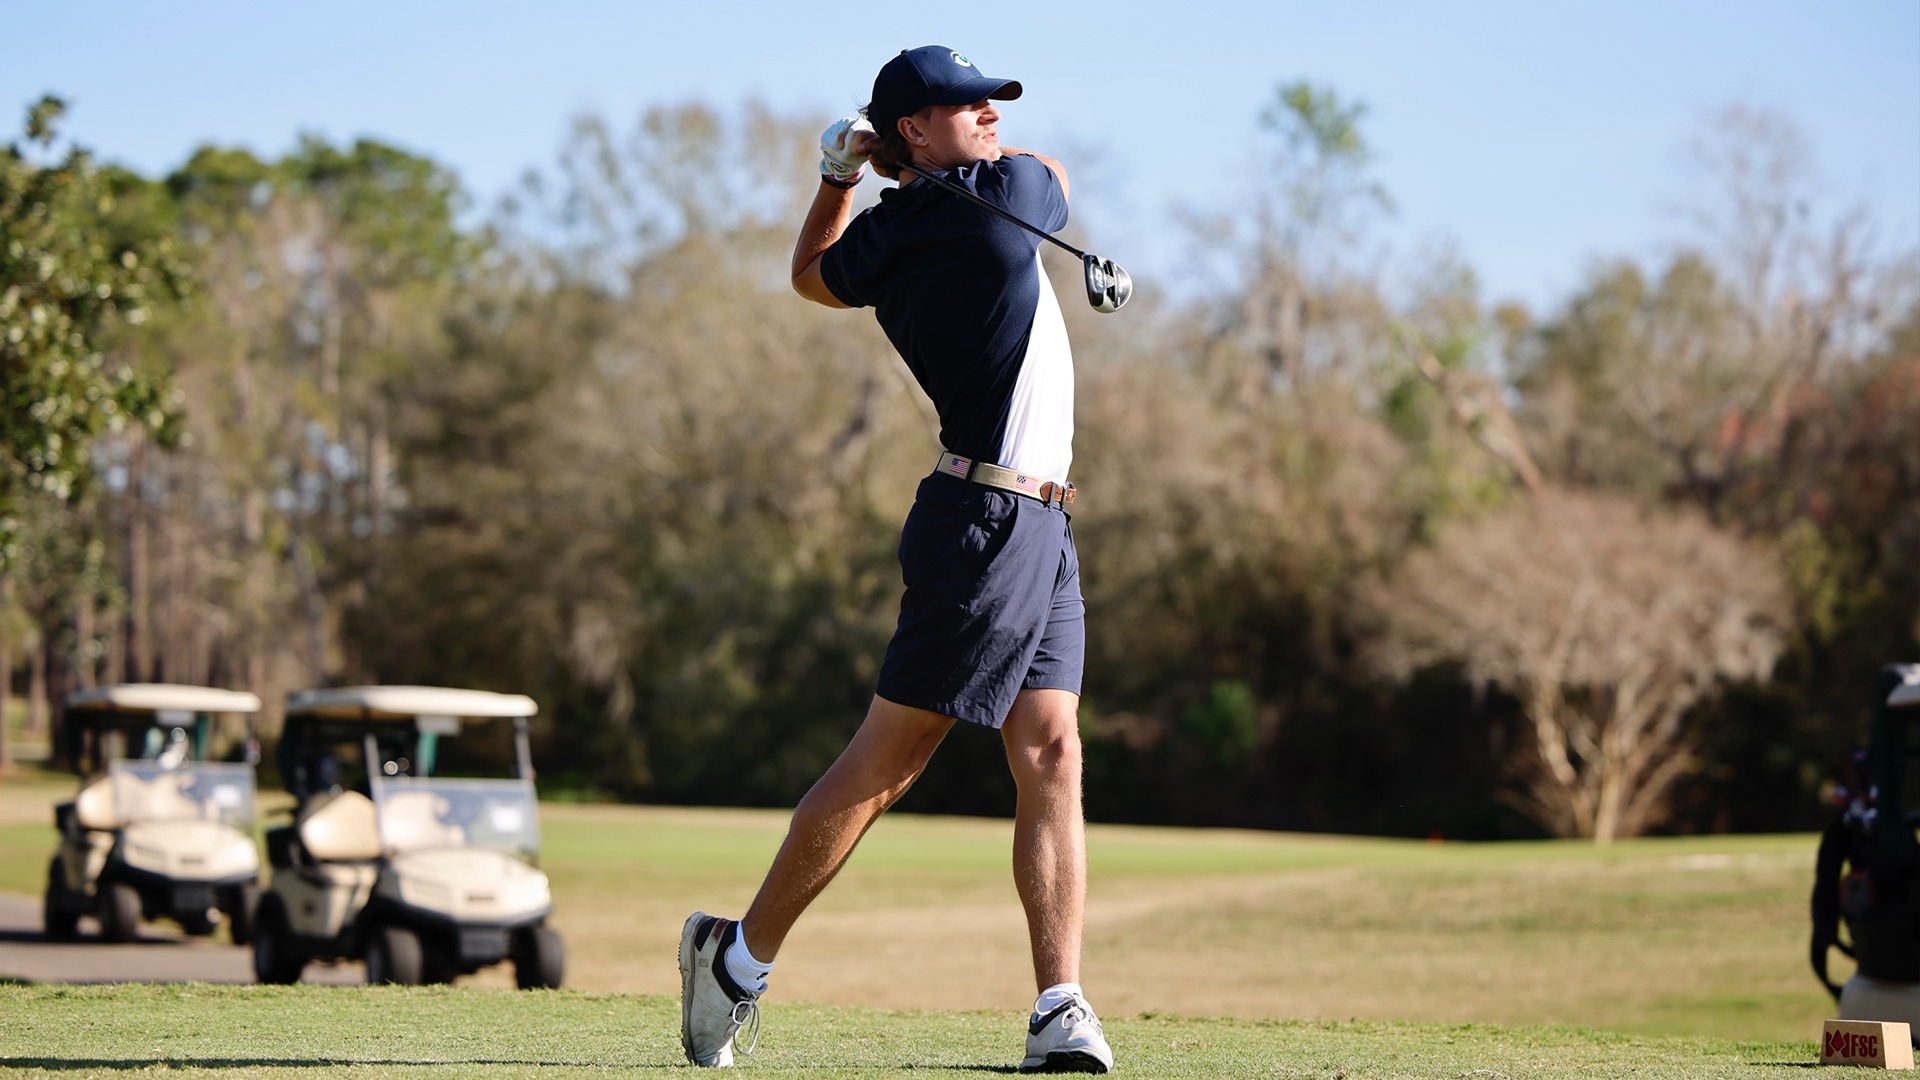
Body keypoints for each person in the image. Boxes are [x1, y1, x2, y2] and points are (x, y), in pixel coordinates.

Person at [677, 45, 1113, 1074]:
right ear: (915, 126)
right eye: (967, 104)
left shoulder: (899, 228)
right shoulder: (996, 195)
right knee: (889, 762)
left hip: (1037, 523)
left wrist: (842, 174)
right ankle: (734, 964)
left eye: (991, 102)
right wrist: (903, 170)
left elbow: (809, 279)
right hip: (988, 524)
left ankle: (1061, 1005)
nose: (992, 117)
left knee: (1052, 750)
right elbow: (1054, 167)